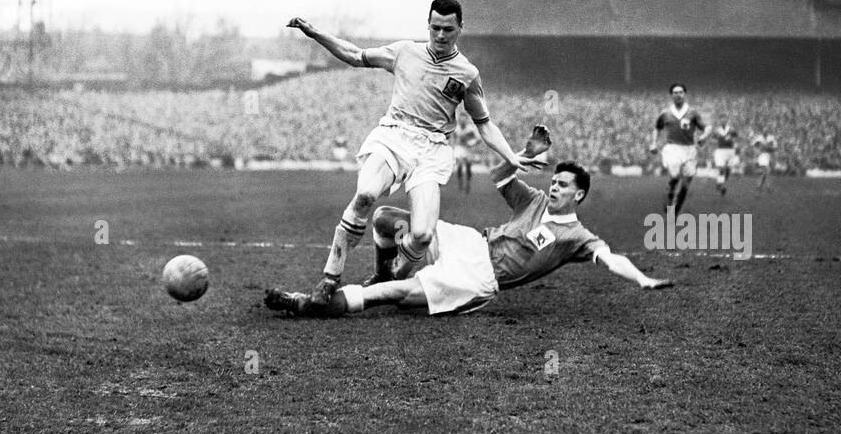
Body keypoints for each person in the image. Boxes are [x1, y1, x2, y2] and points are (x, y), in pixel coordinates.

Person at [263, 125, 669, 318]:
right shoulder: (535, 200)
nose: (556, 186)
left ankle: (304, 303)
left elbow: (611, 257)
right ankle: (381, 271)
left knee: (390, 297)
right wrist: (521, 154)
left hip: (479, 278)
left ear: (579, 194)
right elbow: (499, 178)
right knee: (386, 217)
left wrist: (642, 279)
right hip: (470, 241)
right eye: (555, 180)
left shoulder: (577, 235)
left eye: (564, 185)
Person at [286, 0, 529, 304]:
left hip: (432, 150)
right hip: (395, 136)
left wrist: (511, 156)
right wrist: (315, 33)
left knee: (423, 235)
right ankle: (330, 278)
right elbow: (354, 55)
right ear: (428, 25)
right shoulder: (405, 52)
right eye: (435, 28)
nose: (440, 35)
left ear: (460, 29)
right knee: (365, 195)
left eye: (448, 29)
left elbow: (485, 124)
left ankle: (390, 277)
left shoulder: (467, 74)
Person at [649, 83, 706, 214]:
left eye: (680, 92)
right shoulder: (665, 113)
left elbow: (706, 127)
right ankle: (669, 198)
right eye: (675, 92)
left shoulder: (692, 112)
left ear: (684, 94)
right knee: (674, 176)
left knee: (686, 185)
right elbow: (657, 129)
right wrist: (653, 143)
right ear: (671, 95)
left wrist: (704, 136)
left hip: (689, 150)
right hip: (672, 148)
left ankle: (676, 208)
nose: (678, 94)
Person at [452, 111, 479, 194]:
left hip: (467, 148)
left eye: (464, 118)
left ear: (467, 119)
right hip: (459, 148)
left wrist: (471, 142)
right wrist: (453, 147)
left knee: (468, 164)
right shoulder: (456, 128)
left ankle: (468, 182)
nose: (462, 120)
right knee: (459, 164)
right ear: (459, 119)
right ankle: (460, 181)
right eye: (461, 119)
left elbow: (478, 138)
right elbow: (453, 138)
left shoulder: (470, 128)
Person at [711, 120, 737, 196]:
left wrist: (731, 138)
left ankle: (719, 184)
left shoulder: (731, 129)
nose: (723, 122)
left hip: (730, 151)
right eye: (722, 120)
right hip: (720, 151)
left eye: (725, 120)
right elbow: (712, 139)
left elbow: (736, 136)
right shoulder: (717, 130)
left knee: (728, 171)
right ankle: (721, 187)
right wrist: (718, 140)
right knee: (722, 169)